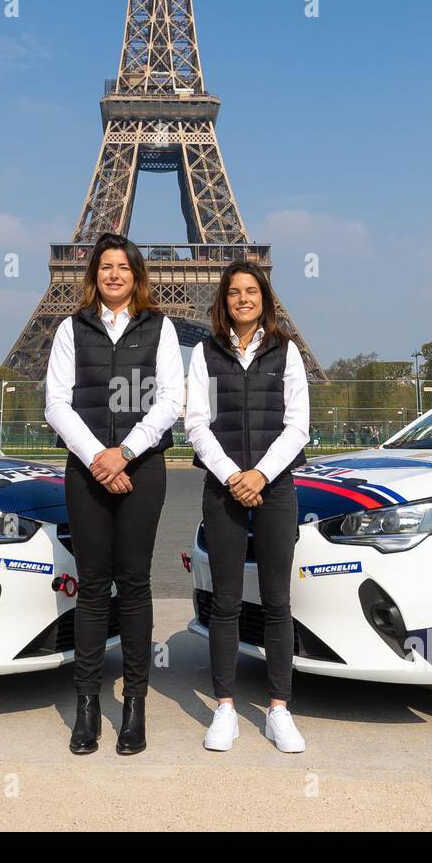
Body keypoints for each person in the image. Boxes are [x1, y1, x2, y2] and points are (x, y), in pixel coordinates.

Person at [44, 232, 184, 755]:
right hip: (87, 468)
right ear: (93, 274)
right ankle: (86, 705)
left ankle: (134, 704)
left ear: (137, 274)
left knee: (136, 583)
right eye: (105, 266)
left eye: (124, 266)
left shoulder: (161, 327)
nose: (114, 274)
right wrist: (97, 457)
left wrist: (123, 453)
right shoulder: (68, 328)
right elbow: (57, 403)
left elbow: (171, 399)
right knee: (94, 585)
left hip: (141, 467)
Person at [185, 259, 310, 753]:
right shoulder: (204, 353)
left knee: (277, 600)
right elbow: (196, 423)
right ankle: (226, 707)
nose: (242, 298)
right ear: (223, 299)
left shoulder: (287, 352)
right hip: (223, 486)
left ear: (264, 298)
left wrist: (259, 474)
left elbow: (297, 424)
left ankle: (279, 708)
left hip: (275, 486)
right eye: (234, 291)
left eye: (251, 291)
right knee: (226, 602)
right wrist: (234, 476)